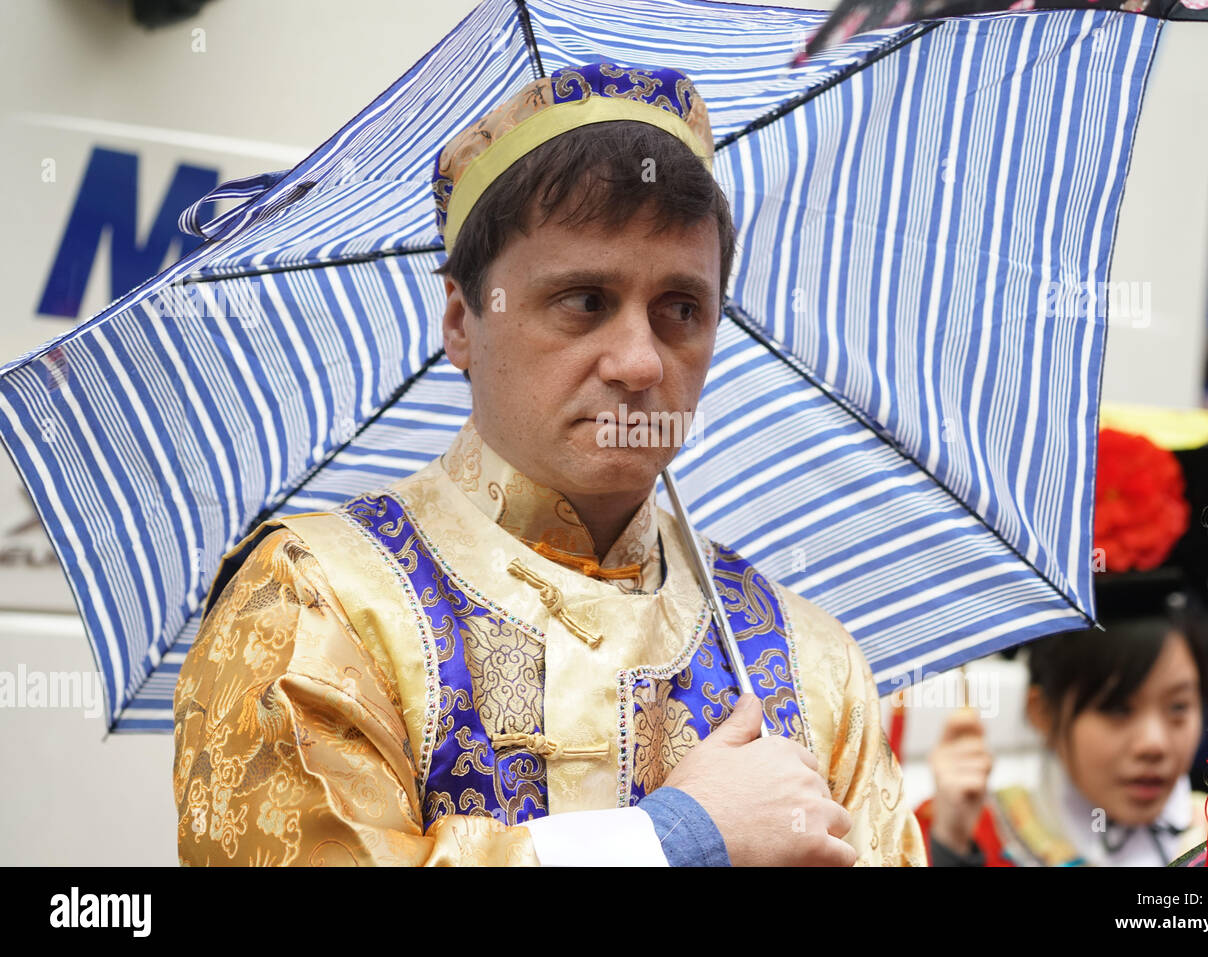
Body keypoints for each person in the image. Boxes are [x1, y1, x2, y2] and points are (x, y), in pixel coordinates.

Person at [171, 61, 925, 867]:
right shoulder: (319, 600)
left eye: (681, 309)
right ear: (462, 320)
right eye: (585, 301)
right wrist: (673, 841)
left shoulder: (812, 664)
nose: (639, 362)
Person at [918, 591, 1208, 866]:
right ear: (1043, 712)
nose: (1155, 744)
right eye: (1117, 709)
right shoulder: (969, 834)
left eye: (1178, 707)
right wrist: (951, 849)